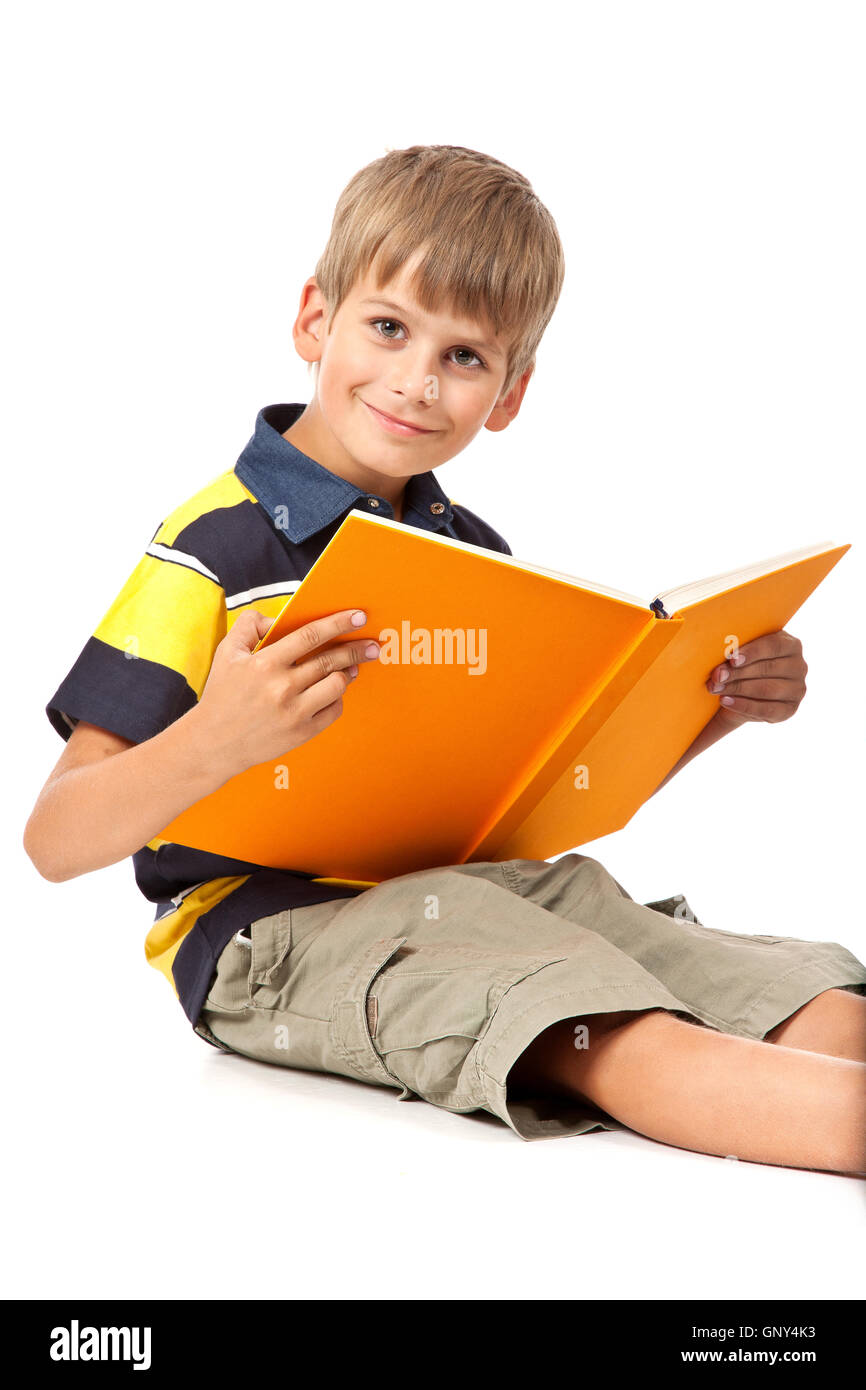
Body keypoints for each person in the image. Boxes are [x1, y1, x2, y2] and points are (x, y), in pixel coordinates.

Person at [24, 144, 866, 1174]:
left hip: (470, 887)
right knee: (594, 1017)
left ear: (508, 393)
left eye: (464, 357)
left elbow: (530, 800)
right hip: (270, 939)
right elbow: (55, 839)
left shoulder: (470, 553)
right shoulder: (214, 545)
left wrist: (709, 711)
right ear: (313, 320)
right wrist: (220, 735)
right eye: (387, 327)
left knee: (779, 987)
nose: (416, 381)